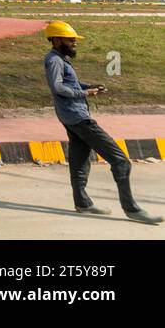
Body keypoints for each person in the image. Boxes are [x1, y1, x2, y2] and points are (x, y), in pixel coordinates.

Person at [43, 21, 160, 224]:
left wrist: (90, 86)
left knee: (80, 160)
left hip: (71, 117)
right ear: (57, 39)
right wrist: (84, 92)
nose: (74, 43)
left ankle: (83, 203)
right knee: (120, 160)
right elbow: (58, 88)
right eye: (71, 40)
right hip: (79, 118)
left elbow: (69, 83)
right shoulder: (54, 60)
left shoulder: (59, 58)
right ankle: (131, 209)